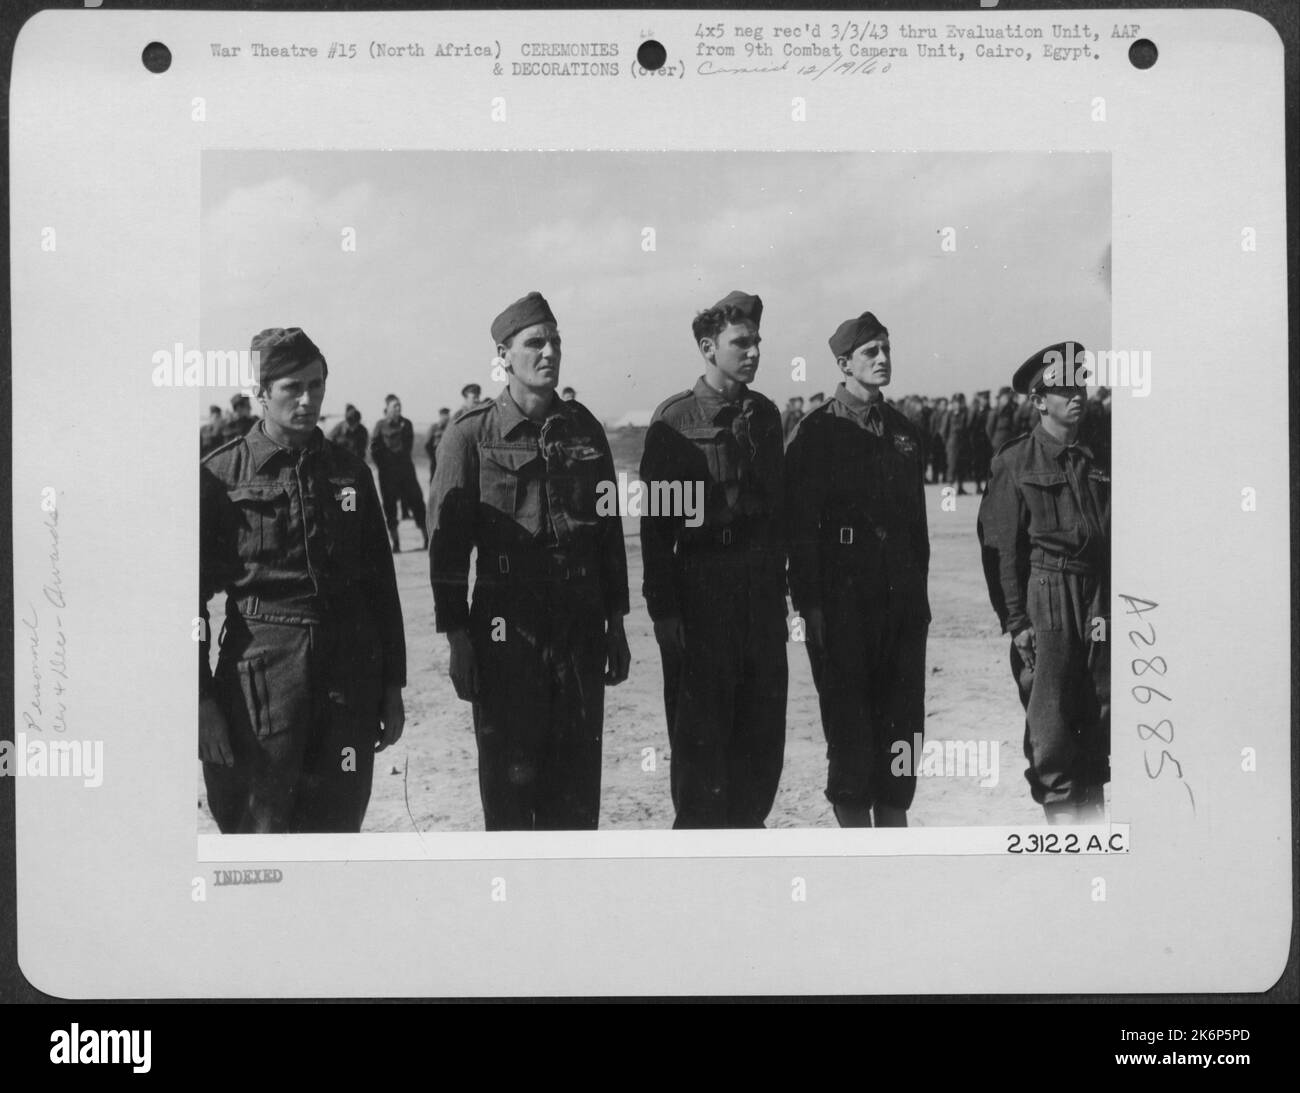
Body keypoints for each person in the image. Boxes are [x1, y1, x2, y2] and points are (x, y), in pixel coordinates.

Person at [428, 291, 630, 831]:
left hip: (580, 621)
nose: (548, 353)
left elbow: (608, 531)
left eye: (555, 342)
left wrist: (616, 622)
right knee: (511, 788)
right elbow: (446, 550)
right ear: (503, 354)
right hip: (505, 626)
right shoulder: (470, 435)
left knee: (577, 790)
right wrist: (458, 638)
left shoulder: (584, 429)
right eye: (534, 342)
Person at [199, 327, 407, 833]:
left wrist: (392, 685)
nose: (309, 399)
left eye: (317, 385)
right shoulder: (220, 478)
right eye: (293, 387)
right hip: (260, 683)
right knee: (258, 831)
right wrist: (199, 700)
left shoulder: (351, 474)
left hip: (347, 678)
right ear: (262, 394)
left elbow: (380, 585)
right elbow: (184, 606)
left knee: (337, 831)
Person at [640, 290, 787, 829]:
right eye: (739, 342)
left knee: (761, 740)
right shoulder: (675, 421)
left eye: (756, 342)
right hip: (703, 592)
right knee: (702, 753)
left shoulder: (766, 414)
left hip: (762, 596)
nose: (752, 352)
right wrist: (665, 612)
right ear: (708, 346)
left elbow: (778, 511)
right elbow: (656, 530)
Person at [785, 311, 929, 827]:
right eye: (871, 352)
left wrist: (920, 605)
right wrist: (811, 606)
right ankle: (856, 855)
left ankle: (894, 847)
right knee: (851, 735)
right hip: (845, 608)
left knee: (904, 733)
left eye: (887, 348)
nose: (883, 359)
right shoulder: (816, 433)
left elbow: (918, 532)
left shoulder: (904, 433)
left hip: (902, 608)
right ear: (844, 363)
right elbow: (800, 530)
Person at [977, 342, 1110, 824]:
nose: (1076, 395)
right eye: (1063, 389)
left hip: (1095, 597)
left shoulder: (1096, 456)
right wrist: (1017, 622)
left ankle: (1093, 828)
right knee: (1052, 724)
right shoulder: (1014, 462)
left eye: (1080, 385)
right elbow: (1002, 553)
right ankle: (1062, 831)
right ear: (1038, 400)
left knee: (1098, 713)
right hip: (1048, 598)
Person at [369, 394, 429, 554]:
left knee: (417, 503)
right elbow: (374, 449)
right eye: (394, 406)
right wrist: (383, 466)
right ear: (386, 409)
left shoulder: (406, 424)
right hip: (388, 474)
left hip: (406, 471)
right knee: (390, 508)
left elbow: (408, 446)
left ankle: (427, 538)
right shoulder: (380, 426)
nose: (398, 408)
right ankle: (396, 543)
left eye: (399, 405)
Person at [943, 392, 969, 494]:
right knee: (952, 466)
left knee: (961, 465)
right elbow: (944, 430)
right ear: (952, 403)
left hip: (962, 443)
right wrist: (947, 444)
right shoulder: (949, 414)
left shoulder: (964, 414)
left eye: (959, 402)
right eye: (955, 402)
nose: (957, 404)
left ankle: (960, 487)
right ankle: (949, 487)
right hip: (952, 444)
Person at [423, 407, 451, 483]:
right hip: (435, 457)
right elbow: (427, 444)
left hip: (447, 458)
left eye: (447, 415)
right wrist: (432, 457)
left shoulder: (450, 428)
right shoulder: (434, 427)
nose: (446, 417)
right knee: (434, 479)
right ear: (440, 416)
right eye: (444, 415)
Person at [986, 386, 1018, 453]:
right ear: (1001, 398)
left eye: (1009, 397)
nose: (1008, 399)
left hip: (1010, 443)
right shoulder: (995, 412)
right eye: (1006, 397)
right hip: (998, 443)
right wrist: (994, 441)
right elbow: (989, 429)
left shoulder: (1012, 410)